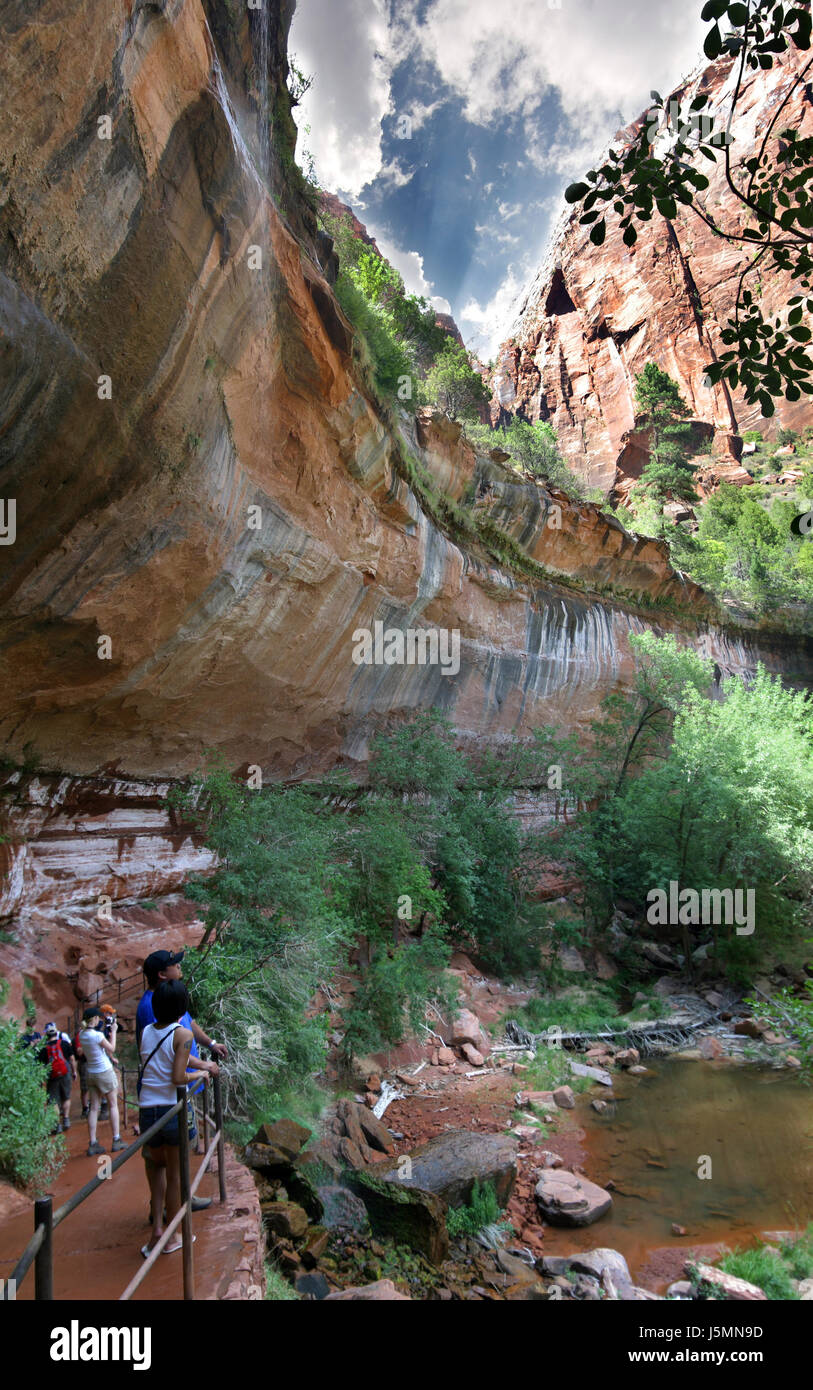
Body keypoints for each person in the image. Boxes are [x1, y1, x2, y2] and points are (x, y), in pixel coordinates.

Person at [138, 979, 214, 1257]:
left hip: (147, 1112)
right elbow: (178, 1076)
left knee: (155, 1171)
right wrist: (203, 1074)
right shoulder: (183, 1034)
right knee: (175, 1176)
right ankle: (172, 1238)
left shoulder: (147, 1031)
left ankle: (157, 1230)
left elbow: (167, 1061)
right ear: (183, 1007)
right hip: (172, 1112)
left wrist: (203, 1063)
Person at [136, 949, 225, 1162]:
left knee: (165, 1161)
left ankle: (178, 1194)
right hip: (170, 1093)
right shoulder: (152, 1006)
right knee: (172, 1161)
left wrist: (211, 1043)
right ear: (162, 974)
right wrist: (203, 1067)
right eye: (174, 965)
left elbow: (189, 1023)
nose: (179, 967)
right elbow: (167, 1050)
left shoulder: (169, 996)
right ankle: (183, 1194)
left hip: (176, 1089)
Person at [78, 1006, 125, 1156]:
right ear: (95, 1019)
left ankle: (93, 1143)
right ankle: (116, 1139)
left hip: (91, 1072)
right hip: (104, 1071)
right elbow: (111, 1048)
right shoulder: (97, 1036)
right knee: (112, 1105)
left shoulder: (82, 1034)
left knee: (93, 1108)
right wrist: (114, 1032)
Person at [38, 1022, 77, 1132]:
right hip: (65, 1073)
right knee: (66, 1097)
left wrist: (42, 1081)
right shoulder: (64, 1044)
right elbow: (72, 1059)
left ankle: (57, 1125)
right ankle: (66, 1119)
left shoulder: (44, 1049)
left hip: (52, 1076)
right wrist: (74, 1072)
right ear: (56, 1033)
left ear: (47, 1035)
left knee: (53, 1100)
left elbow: (41, 1066)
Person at [72, 1025, 90, 1117]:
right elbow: (78, 1052)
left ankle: (88, 1106)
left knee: (89, 1086)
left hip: (89, 1062)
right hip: (84, 1062)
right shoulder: (79, 1037)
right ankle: (85, 1108)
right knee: (85, 1087)